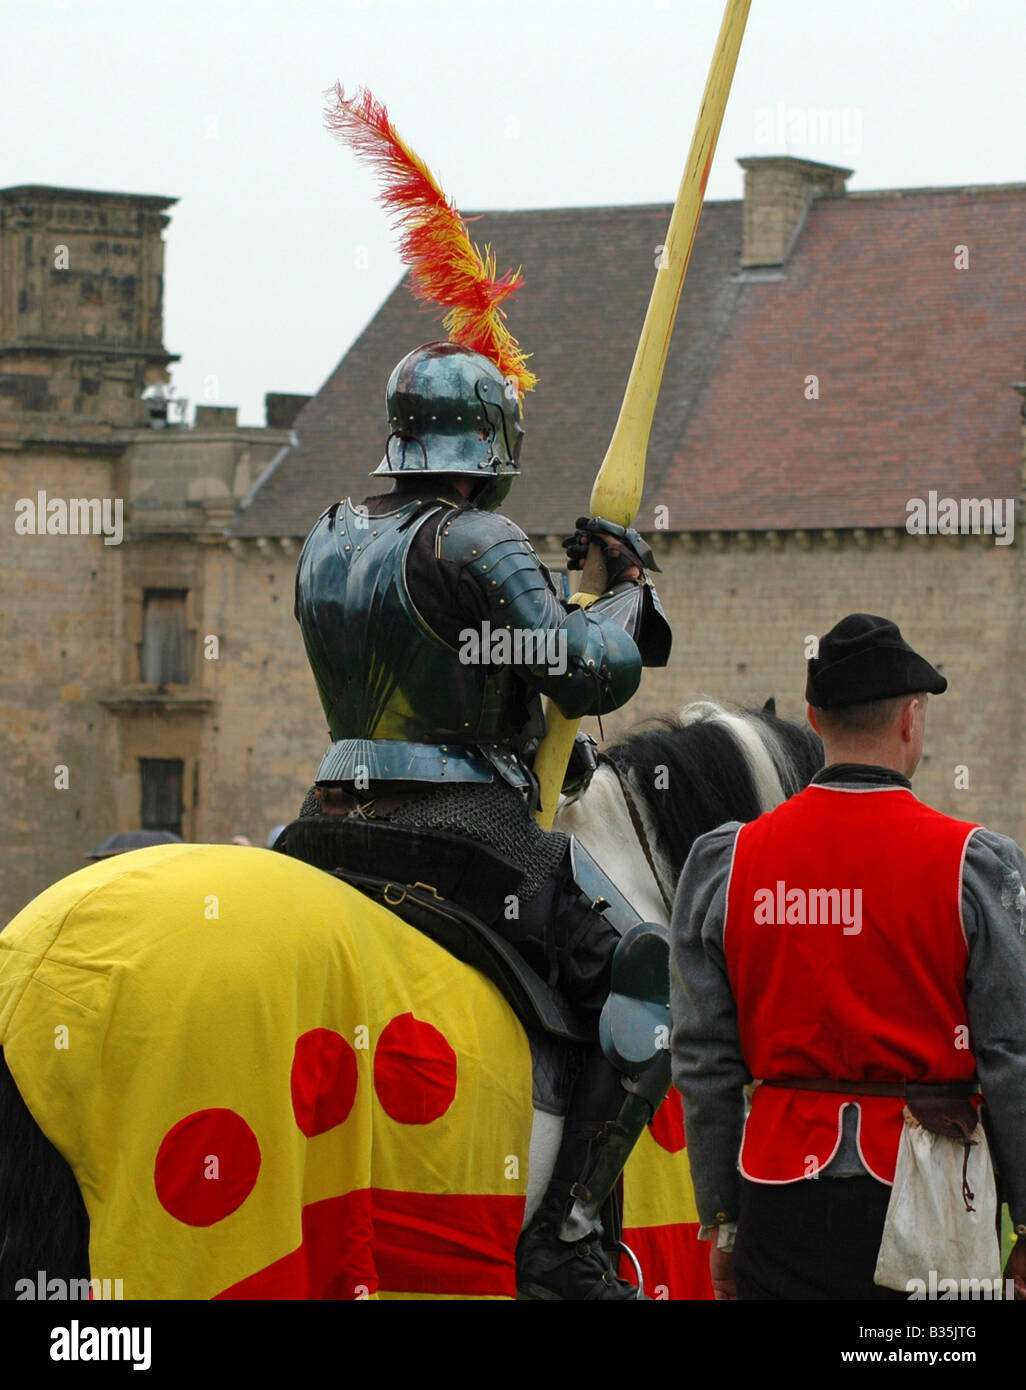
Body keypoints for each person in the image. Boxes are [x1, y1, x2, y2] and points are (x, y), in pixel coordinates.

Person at [284, 339, 672, 1300]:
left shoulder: (327, 532)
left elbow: (458, 672)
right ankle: (568, 1237)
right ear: (493, 438)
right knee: (643, 967)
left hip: (329, 815)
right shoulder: (472, 540)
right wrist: (624, 590)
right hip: (452, 826)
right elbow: (586, 669)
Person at [670, 613, 1026, 1300]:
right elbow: (1011, 1058)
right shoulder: (974, 865)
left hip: (777, 1197)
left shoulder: (729, 863)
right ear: (911, 720)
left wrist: (721, 1218)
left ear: (812, 718)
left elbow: (704, 1056)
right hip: (932, 1200)